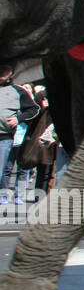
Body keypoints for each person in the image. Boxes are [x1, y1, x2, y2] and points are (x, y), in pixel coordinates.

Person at [0, 67, 40, 205]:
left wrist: (19, 119)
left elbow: (34, 109)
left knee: (12, 169)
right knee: (5, 169)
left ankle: (17, 195)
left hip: (6, 137)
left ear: (10, 72)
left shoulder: (17, 90)